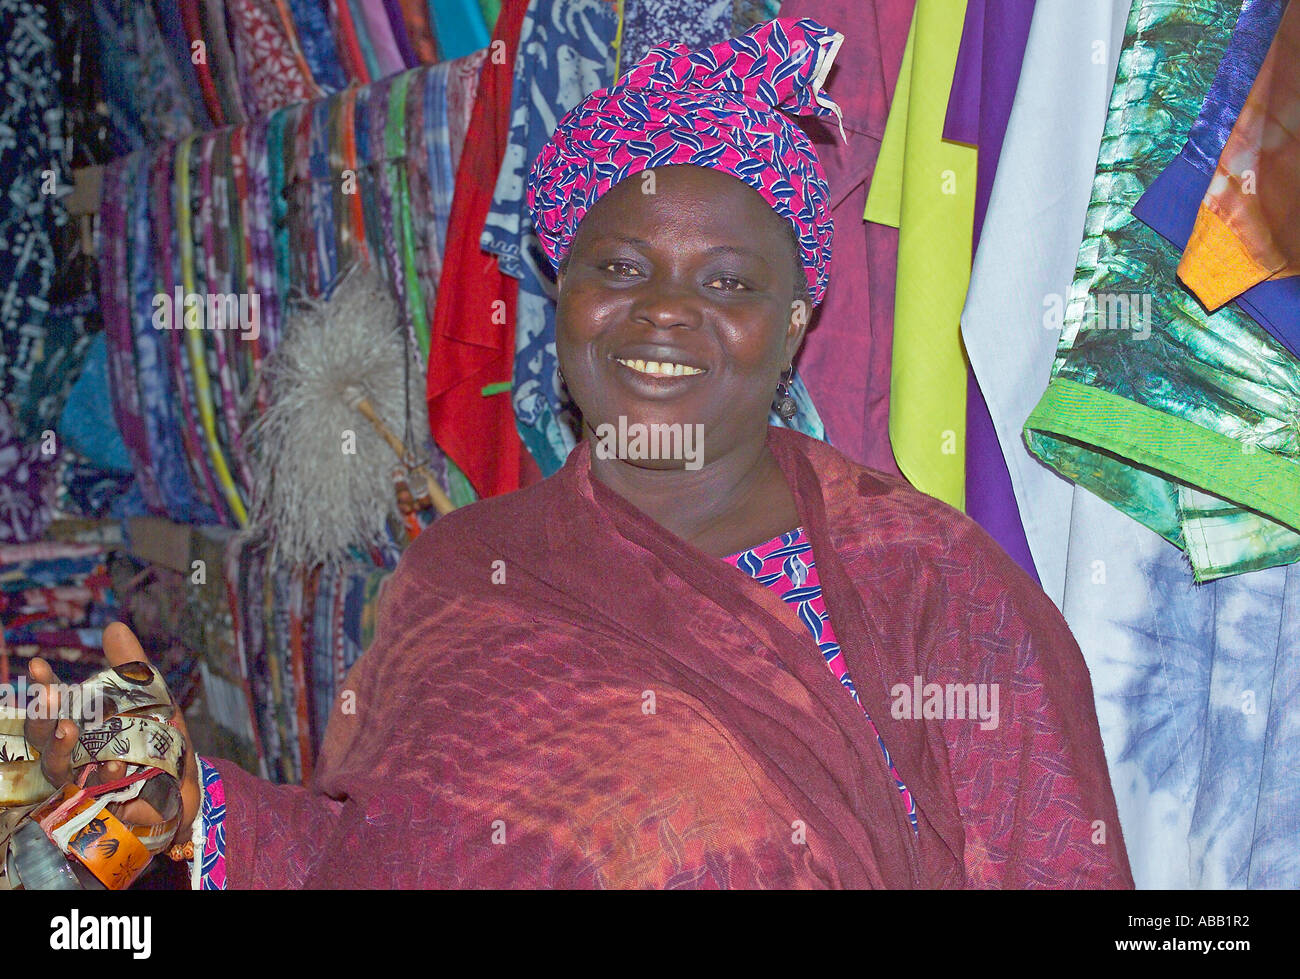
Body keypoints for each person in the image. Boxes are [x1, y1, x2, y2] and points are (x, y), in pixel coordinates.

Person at [24, 17, 1132, 889]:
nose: (664, 311)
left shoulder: (932, 582)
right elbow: (372, 855)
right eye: (620, 268)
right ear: (562, 299)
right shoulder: (463, 575)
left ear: (797, 320)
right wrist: (189, 808)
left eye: (728, 281)